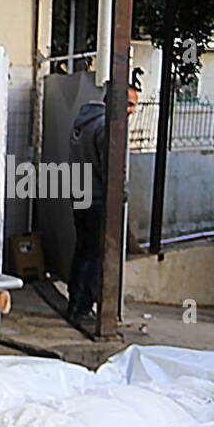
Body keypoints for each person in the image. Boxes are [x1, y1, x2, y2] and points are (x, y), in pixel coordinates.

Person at [68, 69, 142, 324]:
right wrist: (121, 197)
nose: (132, 111)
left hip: (80, 194)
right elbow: (111, 171)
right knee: (95, 254)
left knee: (84, 250)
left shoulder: (83, 122)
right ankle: (83, 308)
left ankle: (75, 302)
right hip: (99, 199)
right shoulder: (106, 129)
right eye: (130, 104)